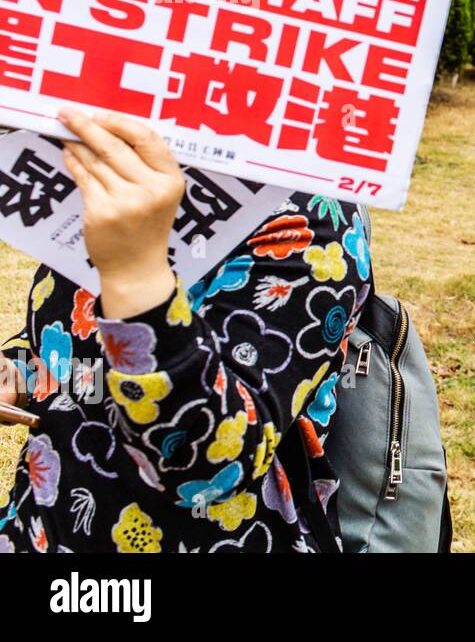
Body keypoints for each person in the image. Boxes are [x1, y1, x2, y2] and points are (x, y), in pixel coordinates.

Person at [0, 110, 370, 552]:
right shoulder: (121, 170)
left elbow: (209, 468)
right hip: (47, 528)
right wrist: (18, 375)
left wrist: (137, 277)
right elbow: (87, 357)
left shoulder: (310, 214)